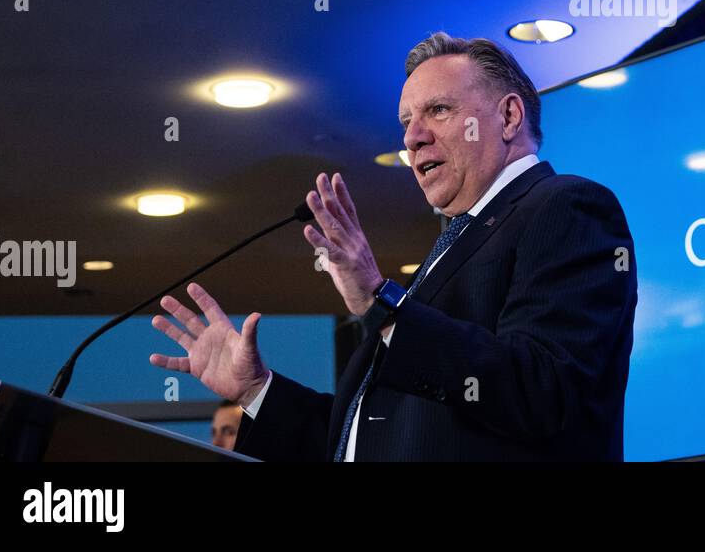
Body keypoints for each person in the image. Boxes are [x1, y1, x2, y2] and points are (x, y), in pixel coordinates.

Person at [149, 32, 637, 460]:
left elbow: (544, 392)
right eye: (406, 122)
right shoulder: (452, 245)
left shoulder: (566, 207)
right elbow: (365, 438)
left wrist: (382, 304)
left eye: (438, 111)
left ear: (508, 116)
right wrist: (256, 390)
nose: (413, 138)